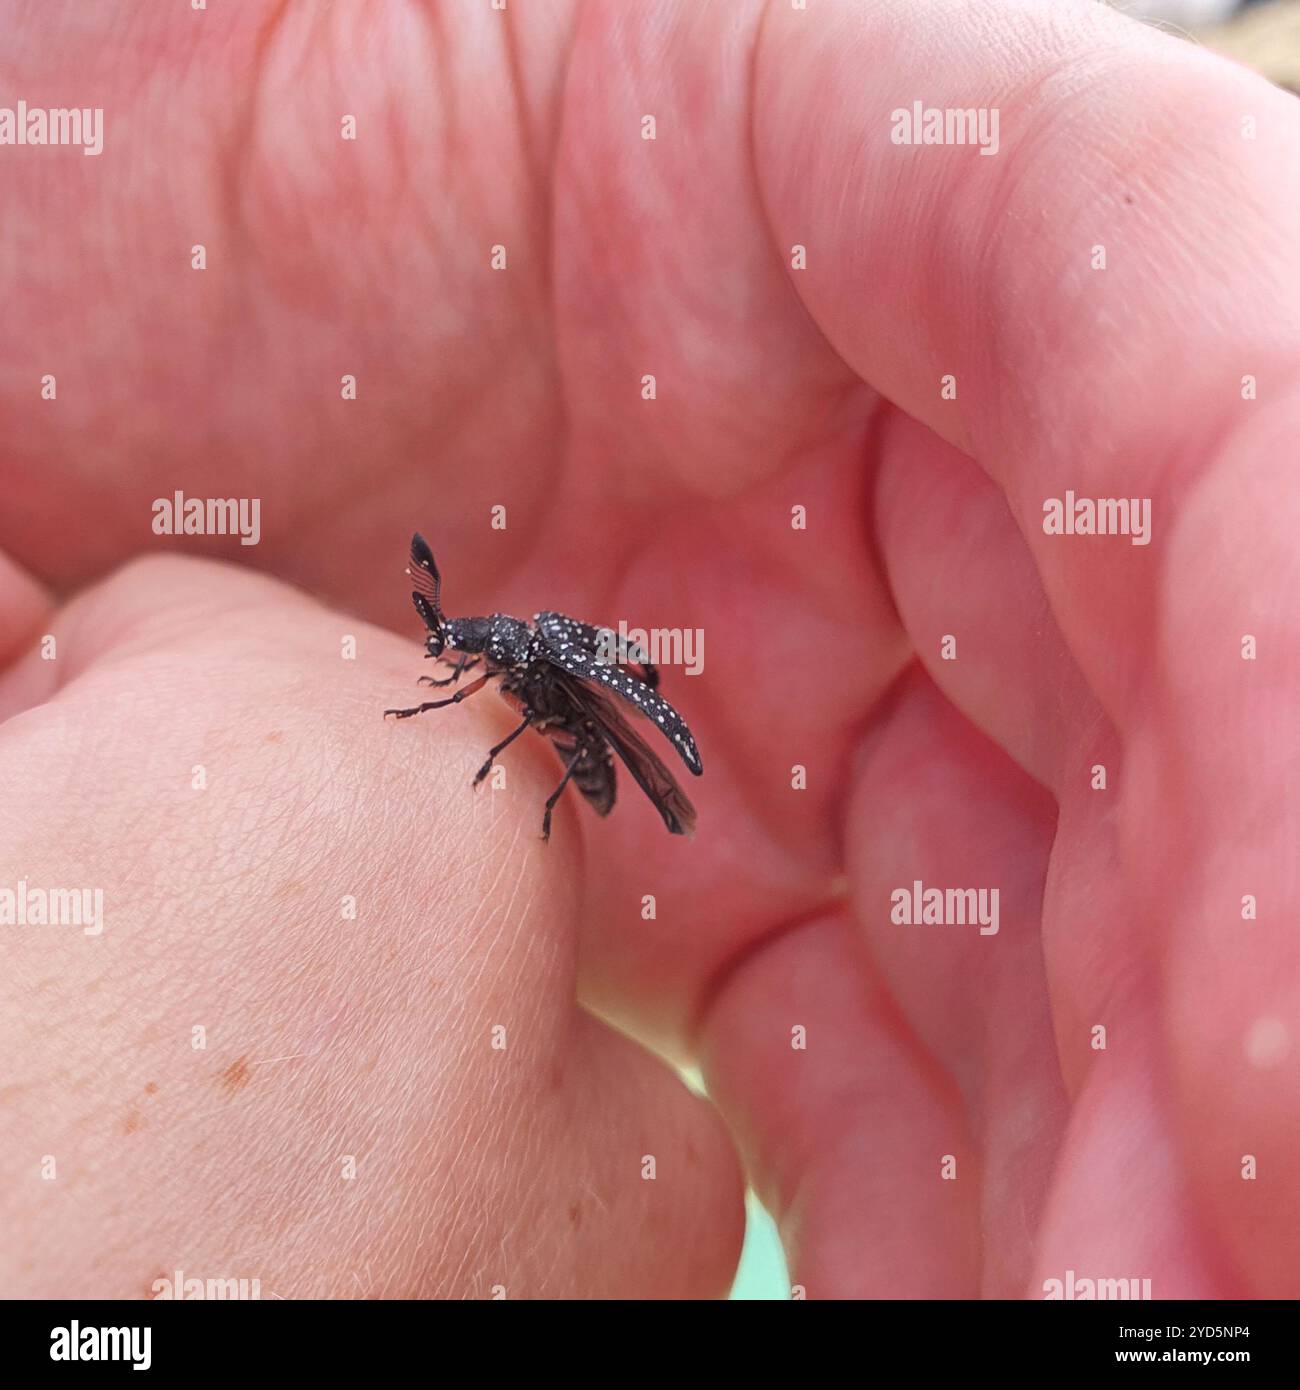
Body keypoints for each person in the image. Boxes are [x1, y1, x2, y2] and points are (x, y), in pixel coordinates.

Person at [1, 0, 1295, 1298]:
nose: (453, 662)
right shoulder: (502, 642)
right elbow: (487, 670)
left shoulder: (535, 674)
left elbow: (546, 707)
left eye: (458, 651)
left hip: (593, 733)